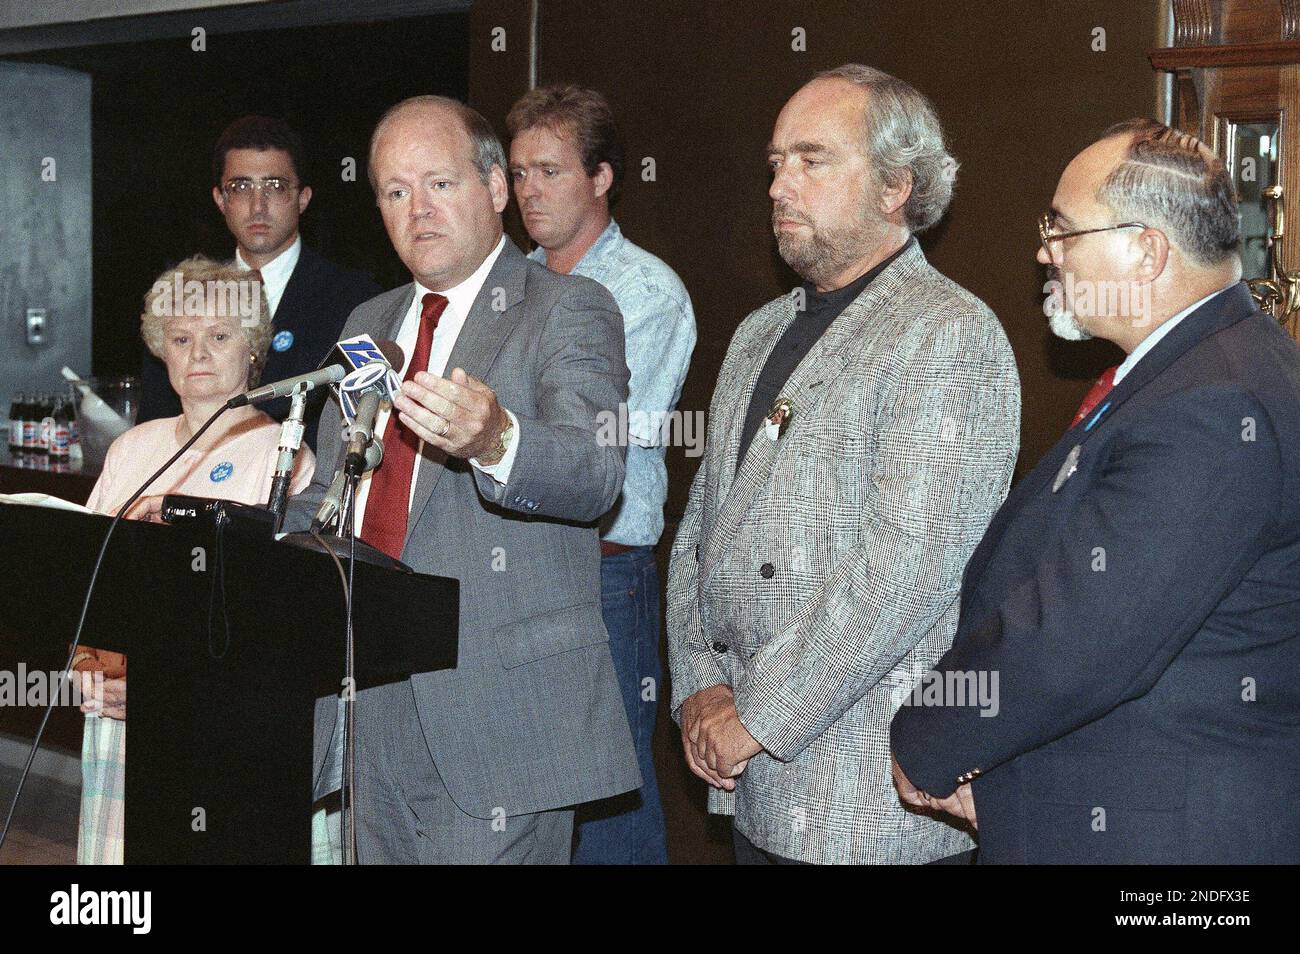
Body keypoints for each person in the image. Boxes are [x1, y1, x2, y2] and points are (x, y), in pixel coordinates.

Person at [891, 119, 1300, 864]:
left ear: (1145, 250)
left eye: (1063, 228)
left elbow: (1076, 641)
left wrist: (927, 736)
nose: (1044, 251)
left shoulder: (1213, 405)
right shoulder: (1198, 370)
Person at [665, 64, 1021, 865]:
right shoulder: (757, 332)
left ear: (897, 185)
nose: (780, 186)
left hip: (864, 801)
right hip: (751, 787)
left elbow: (907, 569)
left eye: (812, 161)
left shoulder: (948, 333)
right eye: (775, 164)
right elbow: (698, 530)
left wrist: (755, 714)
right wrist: (697, 688)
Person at [284, 95, 640, 864]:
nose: (418, 209)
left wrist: (495, 438)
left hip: (498, 710)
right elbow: (334, 499)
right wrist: (257, 529)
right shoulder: (364, 324)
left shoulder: (569, 308)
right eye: (394, 191)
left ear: (496, 189)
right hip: (363, 700)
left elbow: (595, 471)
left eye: (439, 184)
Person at [506, 83, 696, 864]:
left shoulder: (646, 294)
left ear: (603, 177)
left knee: (605, 806)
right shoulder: (504, 281)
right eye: (517, 173)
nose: (528, 192)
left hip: (599, 575)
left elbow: (586, 450)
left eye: (549, 171)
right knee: (524, 800)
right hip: (510, 572)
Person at [73, 255, 316, 864]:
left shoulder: (283, 457)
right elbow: (84, 584)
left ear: (252, 350)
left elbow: (278, 625)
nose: (198, 353)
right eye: (181, 338)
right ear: (162, 350)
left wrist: (163, 687)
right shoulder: (133, 449)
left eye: (219, 336)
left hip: (224, 728)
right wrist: (87, 666)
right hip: (121, 716)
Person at [138, 116, 379, 450]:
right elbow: (156, 421)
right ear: (220, 200)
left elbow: (355, 428)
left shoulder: (354, 299)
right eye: (241, 187)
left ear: (304, 198)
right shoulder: (184, 294)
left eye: (276, 187)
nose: (258, 205)